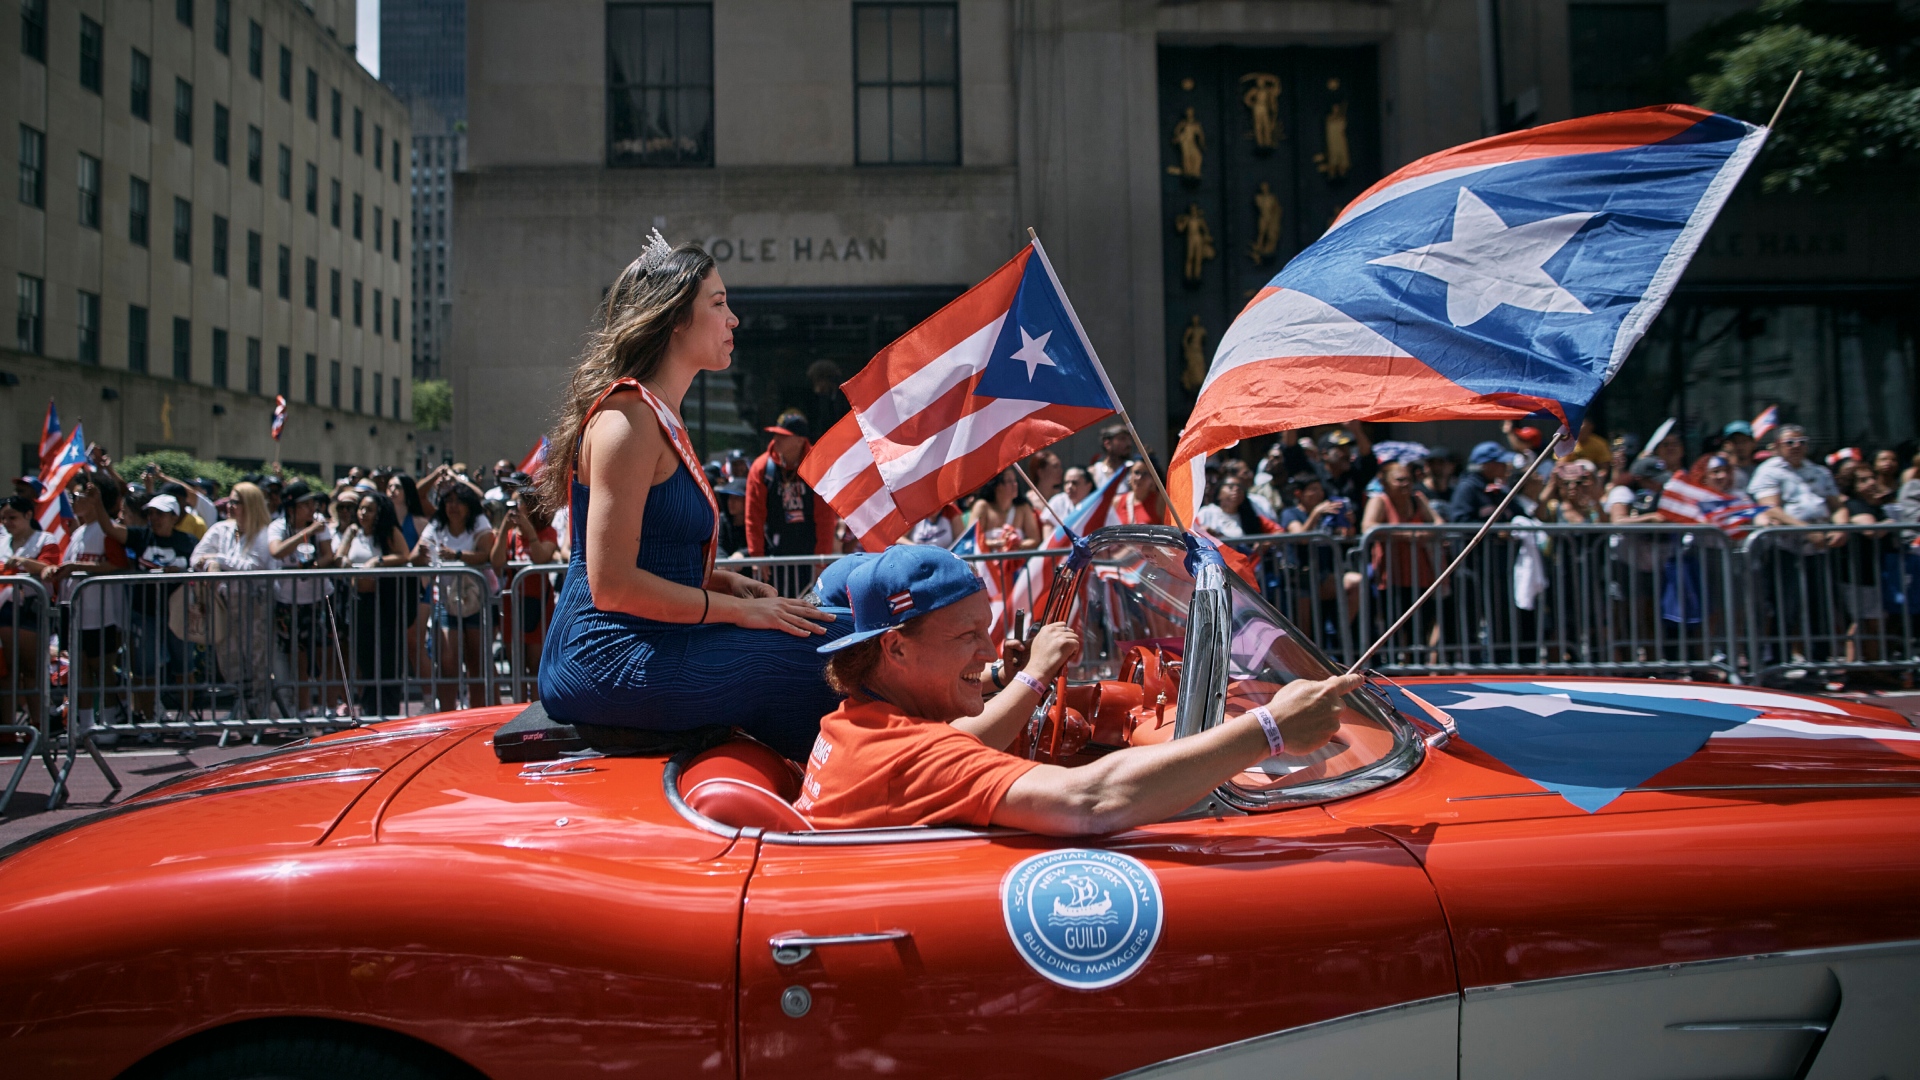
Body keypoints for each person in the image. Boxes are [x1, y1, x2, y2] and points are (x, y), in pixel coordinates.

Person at [535, 238, 849, 760]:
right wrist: (738, 611)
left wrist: (722, 582)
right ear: (676, 317)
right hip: (606, 657)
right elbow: (612, 585)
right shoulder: (627, 419)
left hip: (651, 639)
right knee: (836, 649)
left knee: (843, 617)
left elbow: (651, 559)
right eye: (719, 302)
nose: (734, 319)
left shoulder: (657, 414)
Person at [796, 545, 1357, 833]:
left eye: (986, 630)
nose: (989, 653)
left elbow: (966, 743)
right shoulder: (907, 754)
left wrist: (1024, 680)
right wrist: (1269, 729)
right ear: (895, 649)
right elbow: (1092, 801)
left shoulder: (851, 724)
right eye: (967, 636)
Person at [48, 473, 133, 742]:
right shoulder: (79, 532)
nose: (73, 500)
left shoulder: (107, 530)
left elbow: (117, 564)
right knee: (79, 669)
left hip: (101, 612)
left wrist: (76, 567)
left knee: (102, 668)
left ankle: (107, 723)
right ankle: (84, 725)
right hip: (75, 611)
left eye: (78, 495)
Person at [191, 482, 279, 721]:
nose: (230, 506)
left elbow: (253, 566)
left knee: (257, 660)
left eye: (236, 502)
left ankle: (258, 712)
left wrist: (218, 560)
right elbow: (196, 557)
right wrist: (211, 564)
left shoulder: (263, 533)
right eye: (229, 501)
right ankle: (241, 707)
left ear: (250, 504)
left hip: (255, 605)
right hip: (223, 603)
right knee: (229, 659)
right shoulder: (221, 529)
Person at [412, 482, 495, 710]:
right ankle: (448, 715)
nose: (453, 506)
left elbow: (485, 554)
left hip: (476, 600)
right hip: (445, 601)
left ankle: (478, 714)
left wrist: (457, 555)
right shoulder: (437, 524)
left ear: (469, 505)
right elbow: (414, 556)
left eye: (459, 501)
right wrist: (421, 553)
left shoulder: (479, 522)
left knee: (476, 661)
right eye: (448, 501)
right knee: (447, 662)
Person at [335, 492, 416, 716]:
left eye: (369, 510)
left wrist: (377, 561)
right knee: (365, 659)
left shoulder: (389, 532)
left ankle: (388, 712)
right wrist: (347, 542)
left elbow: (404, 555)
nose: (363, 513)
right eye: (361, 509)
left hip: (384, 605)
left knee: (387, 660)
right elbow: (339, 559)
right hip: (359, 603)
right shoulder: (354, 533)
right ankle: (369, 710)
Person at [124, 493, 200, 724]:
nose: (154, 518)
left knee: (184, 666)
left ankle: (186, 718)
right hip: (145, 612)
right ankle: (149, 721)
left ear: (174, 517)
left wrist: (182, 573)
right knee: (144, 669)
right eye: (151, 513)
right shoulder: (140, 536)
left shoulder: (188, 541)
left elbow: (200, 567)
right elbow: (110, 529)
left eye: (160, 513)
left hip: (178, 613)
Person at [745, 410, 838, 592]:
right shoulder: (761, 468)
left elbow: (825, 519)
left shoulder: (818, 466)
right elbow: (753, 518)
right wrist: (757, 557)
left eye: (784, 436)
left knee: (808, 604)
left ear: (800, 440)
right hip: (774, 554)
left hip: (809, 554)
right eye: (775, 433)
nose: (776, 439)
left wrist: (821, 560)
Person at [268, 482, 339, 717]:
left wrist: (314, 566)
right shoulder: (278, 526)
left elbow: (329, 555)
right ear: (292, 508)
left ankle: (329, 708)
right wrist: (306, 534)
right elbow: (276, 551)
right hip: (289, 601)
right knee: (297, 656)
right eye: (305, 504)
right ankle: (304, 709)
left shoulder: (319, 523)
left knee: (325, 653)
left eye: (312, 503)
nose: (312, 508)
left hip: (319, 598)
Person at [491, 481, 561, 697]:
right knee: (516, 666)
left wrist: (529, 531)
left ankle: (537, 710)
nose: (514, 509)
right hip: (513, 605)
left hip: (540, 606)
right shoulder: (510, 535)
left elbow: (541, 557)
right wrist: (504, 530)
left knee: (536, 663)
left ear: (530, 506)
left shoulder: (547, 533)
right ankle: (518, 709)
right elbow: (496, 562)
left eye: (518, 503)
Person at [0, 496, 53, 731]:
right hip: (4, 609)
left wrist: (23, 562)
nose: (7, 523)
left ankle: (38, 726)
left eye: (12, 517)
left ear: (28, 515)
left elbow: (51, 568)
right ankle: (8, 729)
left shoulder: (45, 539)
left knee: (31, 670)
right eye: (3, 518)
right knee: (7, 672)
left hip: (32, 609)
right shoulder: (2, 542)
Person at [966, 468, 1042, 550]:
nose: (1015, 484)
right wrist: (995, 543)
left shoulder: (1023, 508)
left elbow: (1035, 540)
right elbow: (971, 539)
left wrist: (1015, 544)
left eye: (1015, 480)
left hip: (1015, 558)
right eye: (1009, 481)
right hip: (987, 557)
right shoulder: (982, 506)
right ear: (996, 485)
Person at [1450, 442, 1514, 523]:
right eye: (1501, 463)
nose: (1506, 466)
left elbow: (1519, 513)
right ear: (1487, 465)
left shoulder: (1500, 489)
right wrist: (1496, 529)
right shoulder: (1468, 488)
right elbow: (1460, 521)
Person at [1114, 459, 1167, 525]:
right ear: (1130, 476)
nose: (1139, 477)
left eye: (1145, 474)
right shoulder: (1116, 502)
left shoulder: (1160, 501)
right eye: (1136, 472)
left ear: (1153, 479)